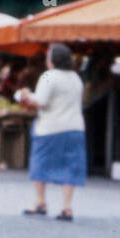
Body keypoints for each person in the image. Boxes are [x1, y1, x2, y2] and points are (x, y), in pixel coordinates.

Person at [18, 42, 86, 221]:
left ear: (52, 60)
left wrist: (25, 96)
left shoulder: (49, 76)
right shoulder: (75, 78)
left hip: (50, 128)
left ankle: (41, 202)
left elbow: (40, 101)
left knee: (40, 164)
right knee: (71, 166)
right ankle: (67, 207)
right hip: (75, 127)